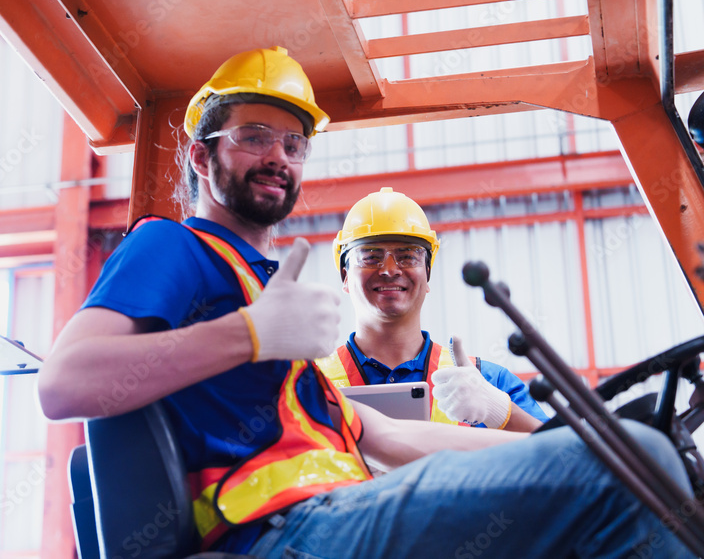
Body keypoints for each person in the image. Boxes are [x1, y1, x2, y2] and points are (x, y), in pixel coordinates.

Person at [38, 46, 694, 558]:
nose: (278, 157)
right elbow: (63, 384)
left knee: (631, 460)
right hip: (287, 533)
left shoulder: (268, 298)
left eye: (294, 145)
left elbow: (389, 433)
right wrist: (250, 333)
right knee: (630, 475)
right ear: (203, 157)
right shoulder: (172, 248)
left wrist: (562, 438)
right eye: (254, 136)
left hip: (338, 517)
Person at [318, 188, 548, 432]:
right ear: (345, 276)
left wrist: (500, 412)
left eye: (407, 256)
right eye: (371, 256)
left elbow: (568, 458)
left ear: (426, 275)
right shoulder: (307, 384)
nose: (390, 269)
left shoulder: (488, 382)